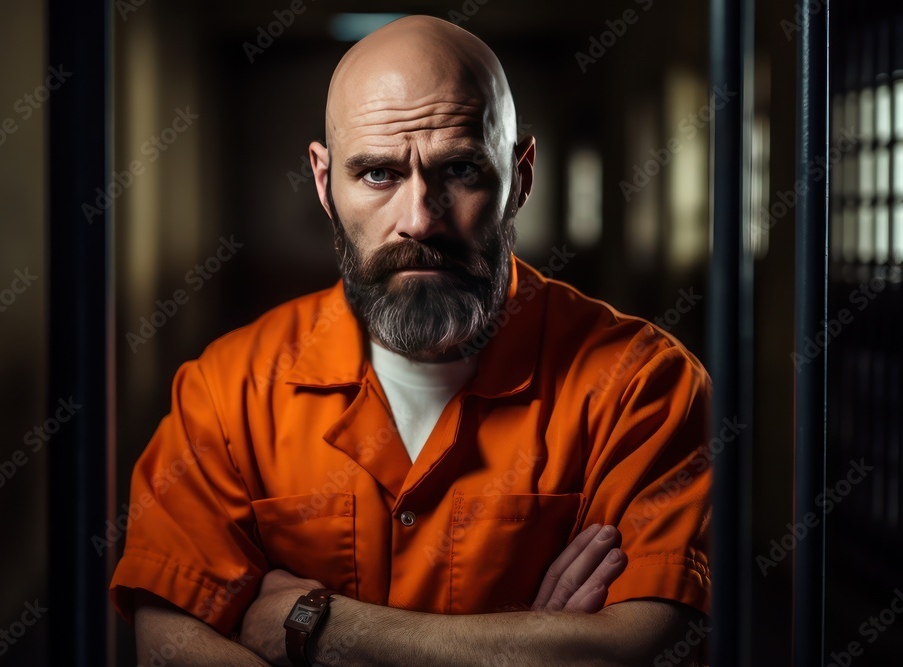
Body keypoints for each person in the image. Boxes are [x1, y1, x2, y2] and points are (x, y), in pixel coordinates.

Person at [110, 14, 711, 666]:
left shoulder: (644, 387)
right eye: (377, 174)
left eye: (459, 169)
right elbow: (166, 648)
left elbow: (639, 651)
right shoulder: (226, 394)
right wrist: (527, 645)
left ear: (521, 177)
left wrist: (317, 625)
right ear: (323, 182)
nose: (420, 217)